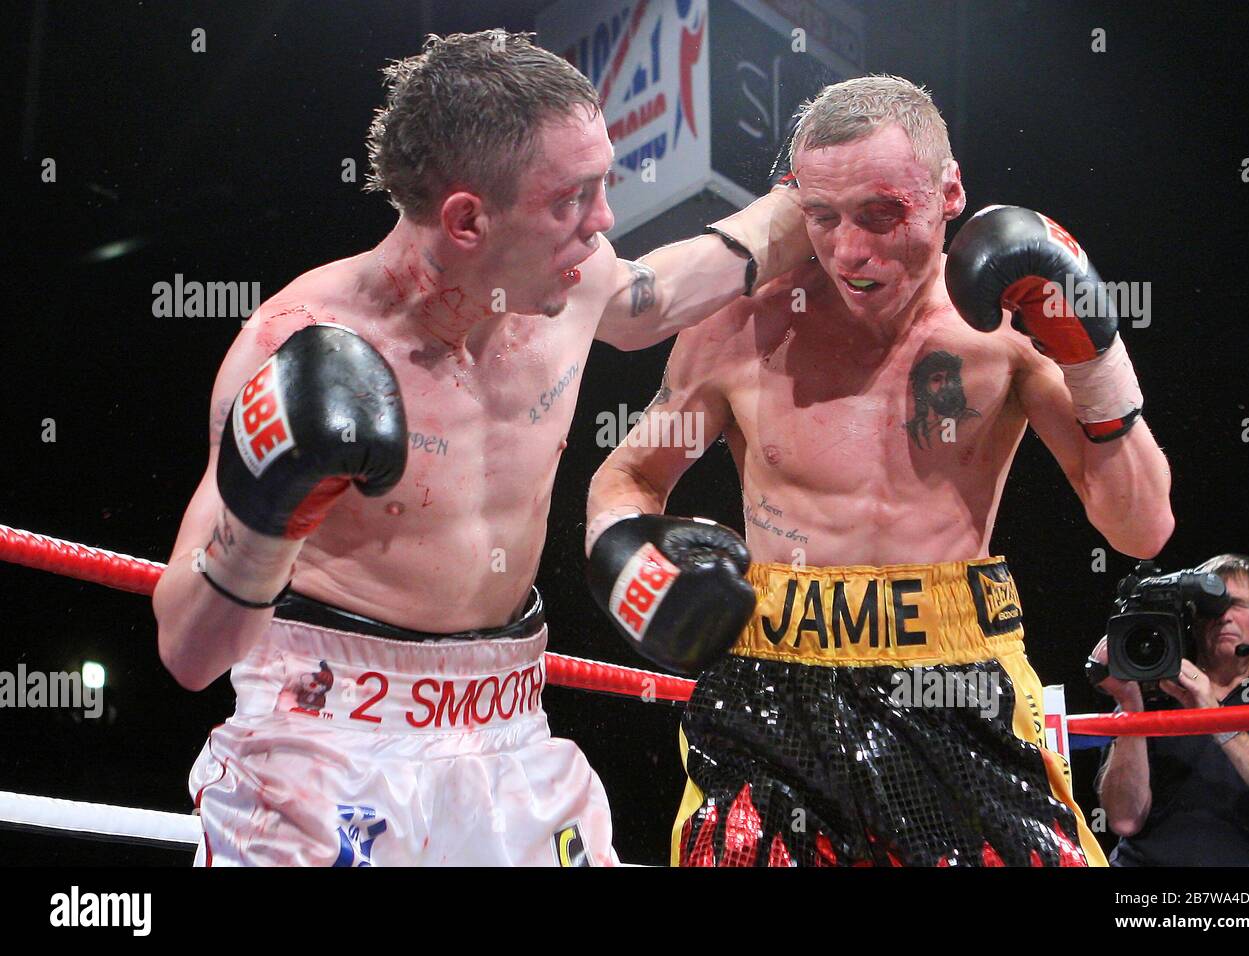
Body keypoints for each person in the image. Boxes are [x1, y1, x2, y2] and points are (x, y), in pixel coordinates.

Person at [151, 30, 811, 866]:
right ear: (467, 220)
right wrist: (264, 518)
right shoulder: (294, 345)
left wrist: (805, 194)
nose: (602, 221)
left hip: (510, 728)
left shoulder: (574, 282)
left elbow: (659, 294)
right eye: (571, 199)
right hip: (323, 730)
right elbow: (188, 652)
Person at [585, 74, 1174, 866]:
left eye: (882, 213)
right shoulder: (740, 326)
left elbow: (1139, 528)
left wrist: (1097, 358)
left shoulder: (1009, 331)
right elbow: (630, 476)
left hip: (958, 681)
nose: (850, 251)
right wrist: (630, 559)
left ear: (949, 191)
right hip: (771, 682)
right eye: (821, 217)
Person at [1093, 555, 1249, 865]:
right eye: (1212, 606)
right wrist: (1130, 707)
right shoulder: (1147, 703)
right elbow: (1124, 820)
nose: (1224, 616)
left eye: (1238, 604)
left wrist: (1214, 719)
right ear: (1193, 621)